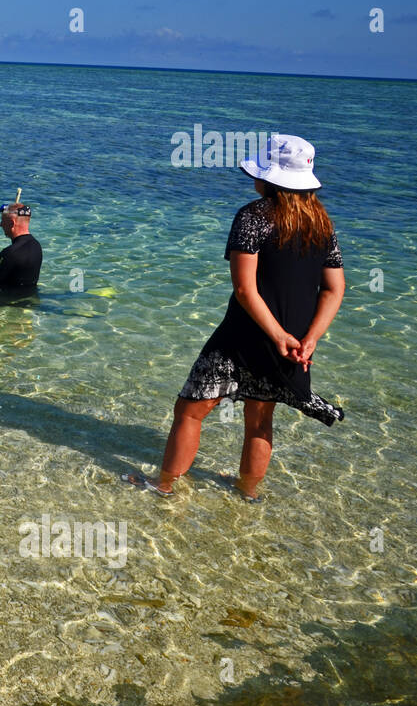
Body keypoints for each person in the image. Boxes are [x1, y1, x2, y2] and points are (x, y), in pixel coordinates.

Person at [134, 134, 345, 502]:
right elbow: (334, 289)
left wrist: (275, 334)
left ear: (270, 179)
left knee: (191, 410)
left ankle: (164, 484)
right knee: (260, 419)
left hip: (244, 334)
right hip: (294, 340)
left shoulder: (253, 216)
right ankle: (247, 492)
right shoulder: (322, 224)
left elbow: (247, 290)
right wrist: (309, 338)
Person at [0, 201, 42, 289]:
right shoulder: (36, 245)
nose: (0, 224)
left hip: (7, 301)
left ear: (12, 224)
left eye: (3, 220)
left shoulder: (10, 253)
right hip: (29, 299)